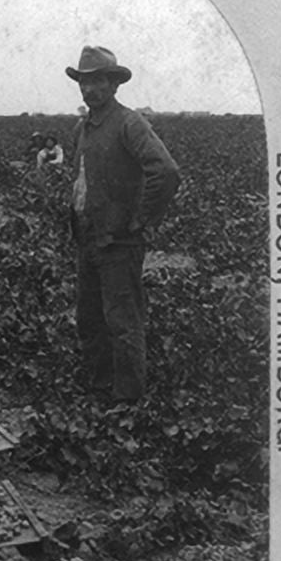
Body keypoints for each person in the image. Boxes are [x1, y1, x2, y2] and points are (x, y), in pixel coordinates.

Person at [65, 45, 180, 403]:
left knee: (123, 323)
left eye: (97, 81)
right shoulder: (83, 128)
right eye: (84, 82)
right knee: (90, 320)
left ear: (113, 84)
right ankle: (100, 389)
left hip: (119, 243)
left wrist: (139, 219)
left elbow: (166, 172)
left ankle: (128, 403)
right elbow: (82, 179)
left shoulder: (129, 122)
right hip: (90, 239)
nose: (89, 89)